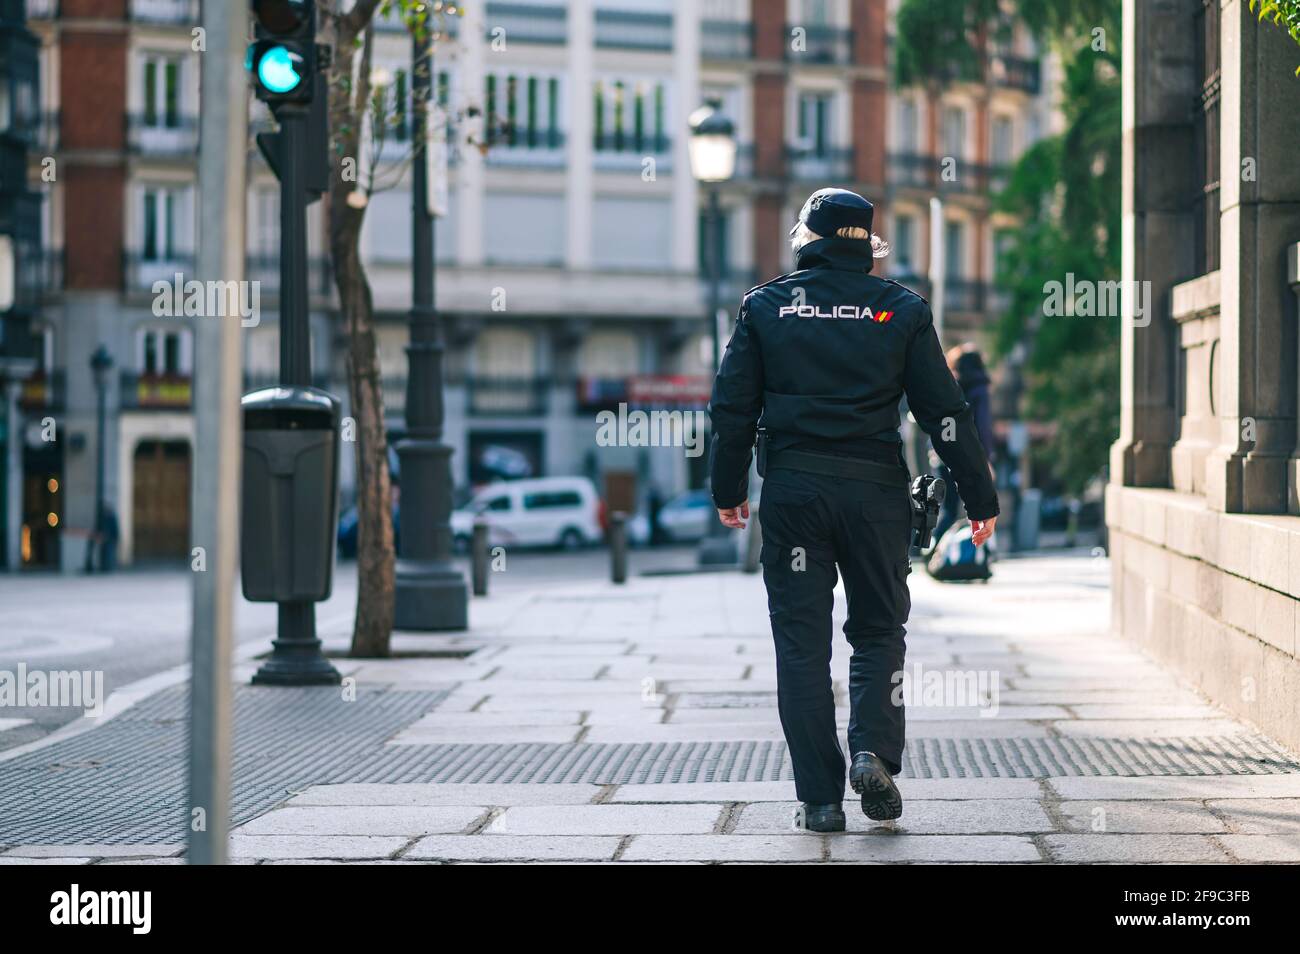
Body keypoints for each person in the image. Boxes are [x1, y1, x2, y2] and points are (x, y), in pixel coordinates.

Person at [708, 188, 999, 832]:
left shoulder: (765, 307)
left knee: (801, 647)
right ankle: (871, 748)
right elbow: (944, 415)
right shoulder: (901, 310)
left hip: (794, 492)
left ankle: (820, 800)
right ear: (865, 245)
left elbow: (731, 410)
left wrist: (728, 489)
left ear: (806, 240)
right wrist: (979, 496)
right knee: (876, 631)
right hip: (874, 495)